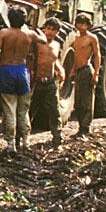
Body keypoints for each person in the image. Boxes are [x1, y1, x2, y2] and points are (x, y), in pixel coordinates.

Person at [0, 6, 46, 155]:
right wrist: (35, 28)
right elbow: (44, 40)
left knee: (9, 109)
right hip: (22, 72)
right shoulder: (29, 34)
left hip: (7, 70)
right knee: (23, 110)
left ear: (9, 18)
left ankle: (10, 145)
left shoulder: (4, 33)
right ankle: (26, 142)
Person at [30, 17, 66, 147]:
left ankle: (57, 141)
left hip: (50, 83)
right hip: (36, 83)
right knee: (29, 112)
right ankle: (21, 141)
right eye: (48, 29)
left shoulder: (56, 45)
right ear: (44, 28)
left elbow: (53, 60)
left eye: (53, 30)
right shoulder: (37, 43)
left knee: (55, 112)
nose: (50, 32)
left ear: (57, 32)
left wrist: (60, 69)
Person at [69, 13, 101, 137]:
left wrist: (96, 73)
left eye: (83, 24)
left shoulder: (92, 38)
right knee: (78, 102)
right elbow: (75, 56)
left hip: (87, 70)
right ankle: (80, 128)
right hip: (78, 71)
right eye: (78, 23)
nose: (80, 26)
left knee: (87, 101)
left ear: (88, 25)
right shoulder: (76, 38)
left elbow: (97, 55)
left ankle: (86, 128)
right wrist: (72, 70)